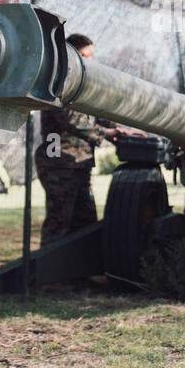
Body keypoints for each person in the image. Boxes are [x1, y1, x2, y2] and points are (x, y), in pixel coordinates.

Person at [35, 33, 117, 245]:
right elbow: (71, 119)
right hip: (60, 163)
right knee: (60, 222)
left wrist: (122, 130)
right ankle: (50, 274)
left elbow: (100, 115)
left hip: (79, 163)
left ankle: (80, 273)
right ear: (71, 55)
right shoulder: (59, 81)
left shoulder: (83, 85)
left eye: (91, 56)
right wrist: (105, 134)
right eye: (84, 55)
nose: (89, 60)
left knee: (85, 221)